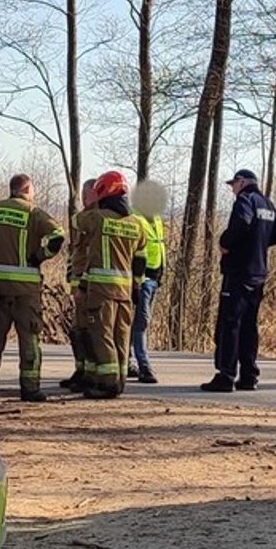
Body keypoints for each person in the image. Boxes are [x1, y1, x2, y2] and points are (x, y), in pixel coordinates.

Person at [201, 168, 276, 393]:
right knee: (249, 325)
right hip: (258, 273)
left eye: (233, 184)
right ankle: (249, 376)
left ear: (242, 182)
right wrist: (259, 242)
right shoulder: (266, 204)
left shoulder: (246, 200)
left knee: (230, 324)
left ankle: (226, 375)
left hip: (239, 272)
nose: (232, 189)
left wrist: (225, 243)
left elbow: (241, 222)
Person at [0, 174, 66, 402]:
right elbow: (58, 235)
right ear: (27, 189)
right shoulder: (33, 213)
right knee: (29, 339)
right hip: (26, 291)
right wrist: (40, 256)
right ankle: (30, 388)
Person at [72, 170, 148, 398]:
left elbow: (77, 221)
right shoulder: (137, 224)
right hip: (125, 290)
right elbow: (141, 257)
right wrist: (136, 284)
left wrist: (92, 204)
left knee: (101, 334)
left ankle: (107, 384)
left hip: (101, 290)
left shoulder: (98, 217)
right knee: (121, 336)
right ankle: (120, 381)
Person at [128, 178, 169, 384]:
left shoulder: (157, 218)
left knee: (140, 322)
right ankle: (143, 365)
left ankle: (129, 360)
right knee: (141, 322)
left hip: (154, 277)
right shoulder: (135, 218)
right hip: (141, 278)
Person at [62, 178, 97, 391]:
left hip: (89, 285)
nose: (84, 198)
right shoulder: (84, 219)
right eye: (82, 194)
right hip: (78, 283)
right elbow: (74, 253)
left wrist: (82, 284)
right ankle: (80, 369)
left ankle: (89, 373)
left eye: (88, 194)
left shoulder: (94, 218)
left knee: (87, 330)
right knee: (77, 330)